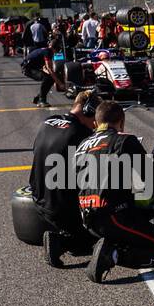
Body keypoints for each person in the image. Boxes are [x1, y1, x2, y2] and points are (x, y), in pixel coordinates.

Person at [75, 100, 154, 283]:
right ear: (121, 121)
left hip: (87, 218)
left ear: (96, 122)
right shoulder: (124, 140)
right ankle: (114, 255)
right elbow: (150, 180)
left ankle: (111, 243)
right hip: (113, 217)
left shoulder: (82, 145)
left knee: (133, 210)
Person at [29, 89, 100, 266]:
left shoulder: (47, 121)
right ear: (88, 111)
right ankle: (59, 242)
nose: (96, 124)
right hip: (61, 207)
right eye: (95, 119)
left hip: (38, 198)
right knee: (96, 237)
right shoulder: (82, 134)